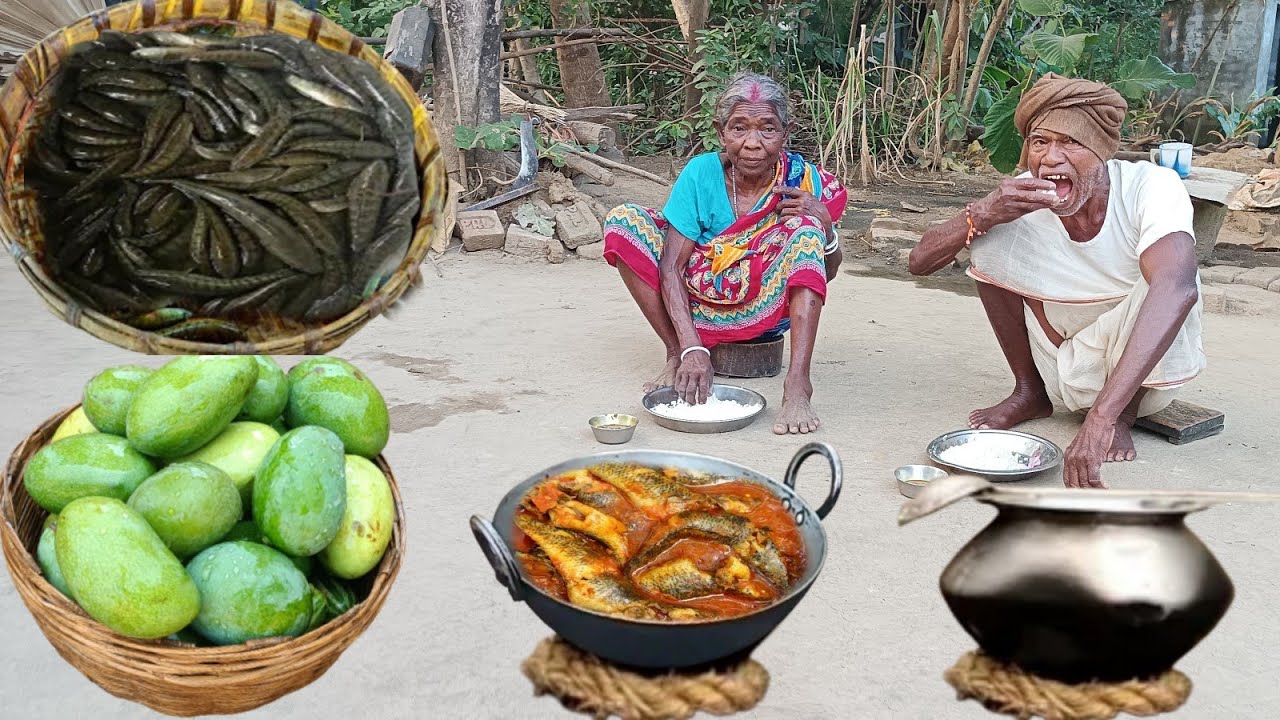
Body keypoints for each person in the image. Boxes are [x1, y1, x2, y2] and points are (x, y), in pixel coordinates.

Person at [909, 73, 1205, 489]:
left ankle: (1123, 410)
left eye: (1070, 142)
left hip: (1140, 373)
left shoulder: (1151, 186)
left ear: (1102, 151)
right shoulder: (1025, 196)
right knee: (989, 242)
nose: (1050, 159)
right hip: (1062, 360)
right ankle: (1030, 390)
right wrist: (983, 213)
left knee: (1173, 282)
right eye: (1040, 142)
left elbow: (1178, 288)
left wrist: (1103, 417)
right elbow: (918, 264)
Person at [602, 71, 848, 435]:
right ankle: (676, 353)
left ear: (785, 132)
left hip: (766, 304)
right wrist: (689, 348)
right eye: (739, 128)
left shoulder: (802, 181)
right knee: (624, 221)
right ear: (721, 132)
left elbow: (824, 272)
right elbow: (671, 267)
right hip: (697, 299)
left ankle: (798, 385)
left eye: (767, 129)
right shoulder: (702, 173)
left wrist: (826, 227)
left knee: (806, 227)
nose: (752, 143)